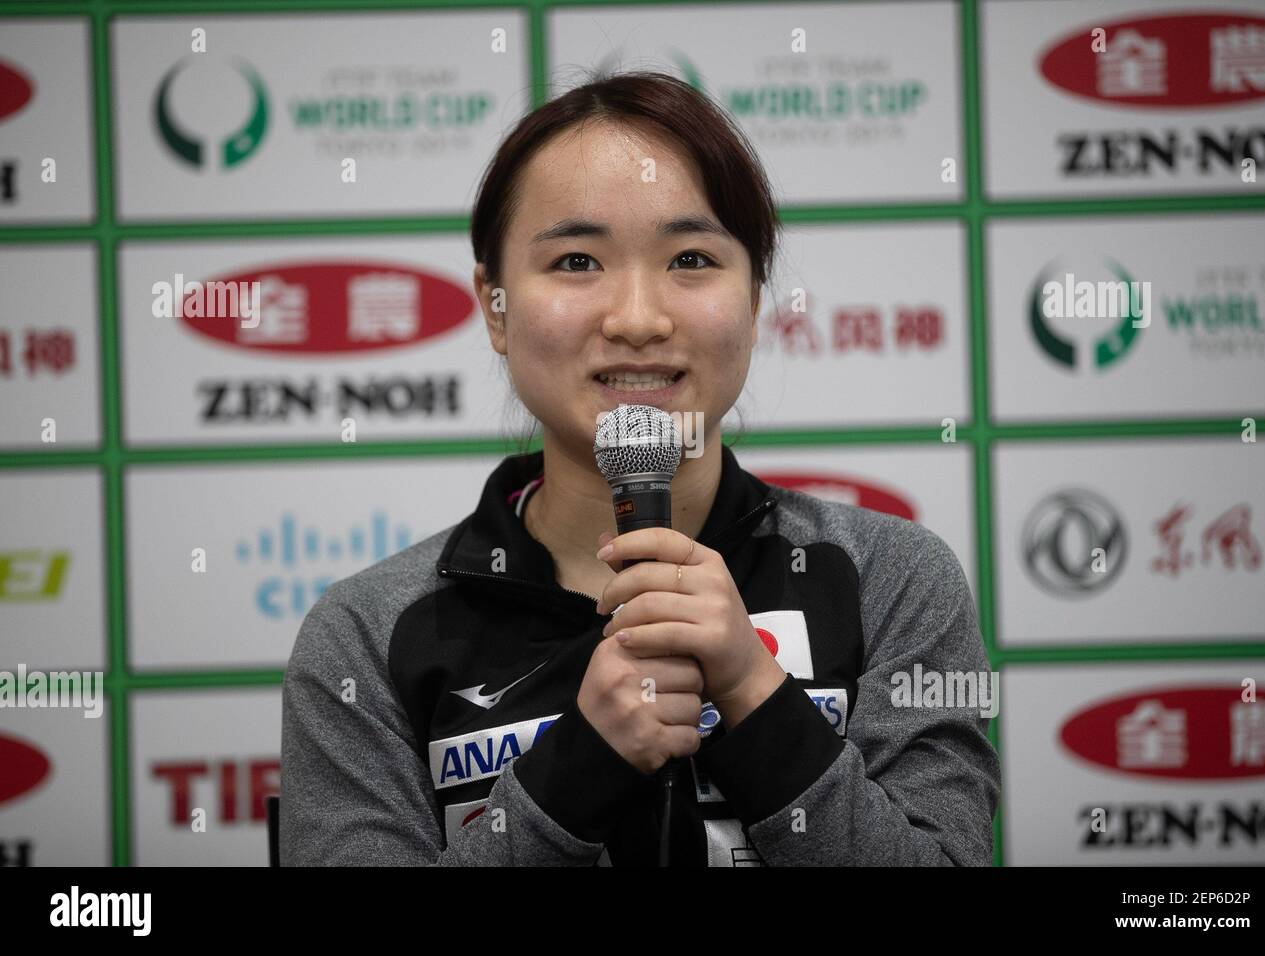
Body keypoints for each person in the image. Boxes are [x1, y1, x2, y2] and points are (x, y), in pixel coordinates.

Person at [279, 71, 1000, 866]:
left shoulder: (890, 580)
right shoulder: (364, 637)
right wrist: (573, 774)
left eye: (691, 257)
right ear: (495, 306)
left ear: (755, 299)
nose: (638, 320)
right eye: (577, 261)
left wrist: (755, 700)